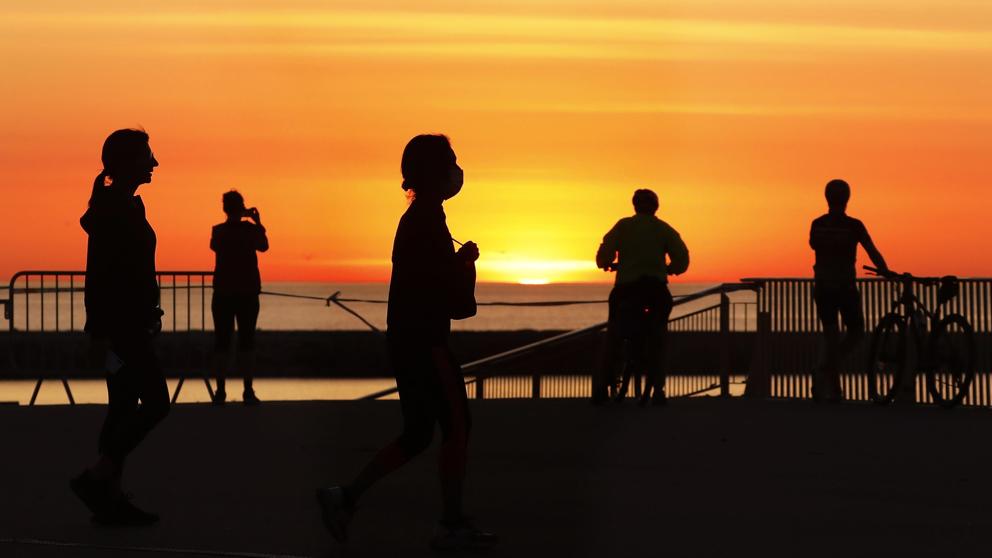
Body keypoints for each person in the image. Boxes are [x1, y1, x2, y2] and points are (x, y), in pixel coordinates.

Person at [315, 134, 497, 551]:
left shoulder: (420, 217)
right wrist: (465, 266)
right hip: (427, 342)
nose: (457, 170)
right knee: (457, 426)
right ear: (436, 173)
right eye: (451, 161)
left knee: (418, 433)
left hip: (407, 340)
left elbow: (427, 279)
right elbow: (445, 295)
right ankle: (451, 524)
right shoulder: (427, 221)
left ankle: (345, 497)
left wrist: (455, 264)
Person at [71, 128, 168, 525]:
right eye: (147, 156)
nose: (155, 163)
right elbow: (100, 275)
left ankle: (109, 499)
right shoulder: (114, 211)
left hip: (132, 325)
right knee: (157, 404)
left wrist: (152, 312)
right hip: (121, 330)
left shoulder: (127, 206)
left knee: (123, 408)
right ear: (127, 162)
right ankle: (98, 478)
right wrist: (98, 332)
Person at [594, 189, 689, 406]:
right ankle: (658, 390)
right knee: (659, 336)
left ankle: (602, 386)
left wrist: (607, 263)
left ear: (634, 206)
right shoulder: (664, 229)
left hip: (627, 290)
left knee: (615, 334)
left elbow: (604, 254)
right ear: (656, 207)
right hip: (656, 291)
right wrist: (671, 269)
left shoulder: (624, 226)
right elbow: (682, 259)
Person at [809, 178, 888, 402]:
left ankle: (832, 386)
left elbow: (814, 245)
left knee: (831, 336)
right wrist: (885, 270)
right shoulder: (854, 225)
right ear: (847, 199)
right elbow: (871, 249)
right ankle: (827, 374)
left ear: (827, 197)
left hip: (823, 287)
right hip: (845, 287)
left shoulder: (817, 224)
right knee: (856, 333)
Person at [210, 190, 268, 405]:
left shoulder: (219, 231)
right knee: (247, 341)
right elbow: (264, 246)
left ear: (225, 208)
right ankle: (248, 390)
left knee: (222, 341)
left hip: (224, 292)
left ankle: (221, 391)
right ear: (241, 207)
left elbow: (215, 246)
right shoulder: (250, 231)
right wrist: (257, 222)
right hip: (247, 292)